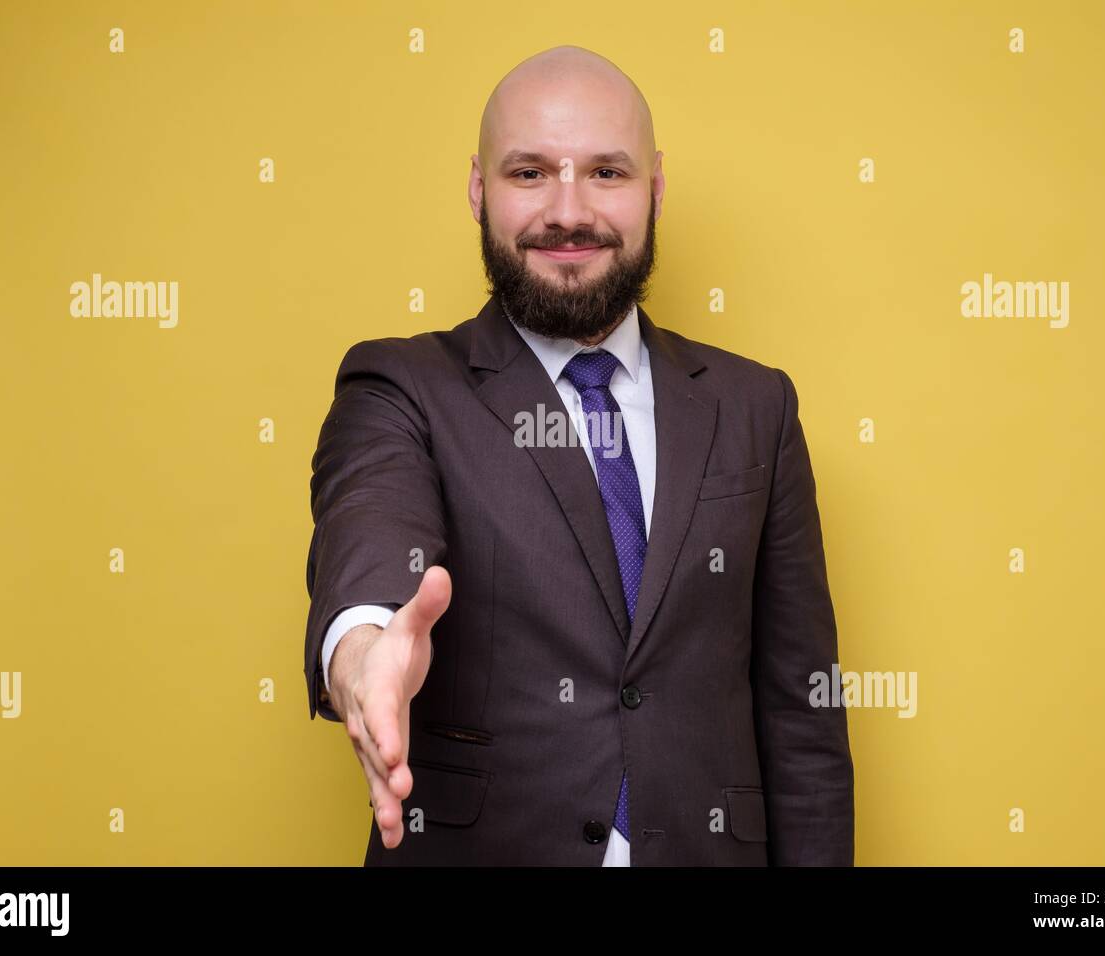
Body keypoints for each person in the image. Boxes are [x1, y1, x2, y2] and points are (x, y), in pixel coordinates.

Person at [303, 44, 854, 866]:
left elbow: (801, 715)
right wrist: (362, 658)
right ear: (477, 189)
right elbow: (370, 540)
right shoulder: (403, 386)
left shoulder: (755, 407)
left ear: (655, 189)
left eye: (606, 172)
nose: (568, 211)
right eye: (529, 173)